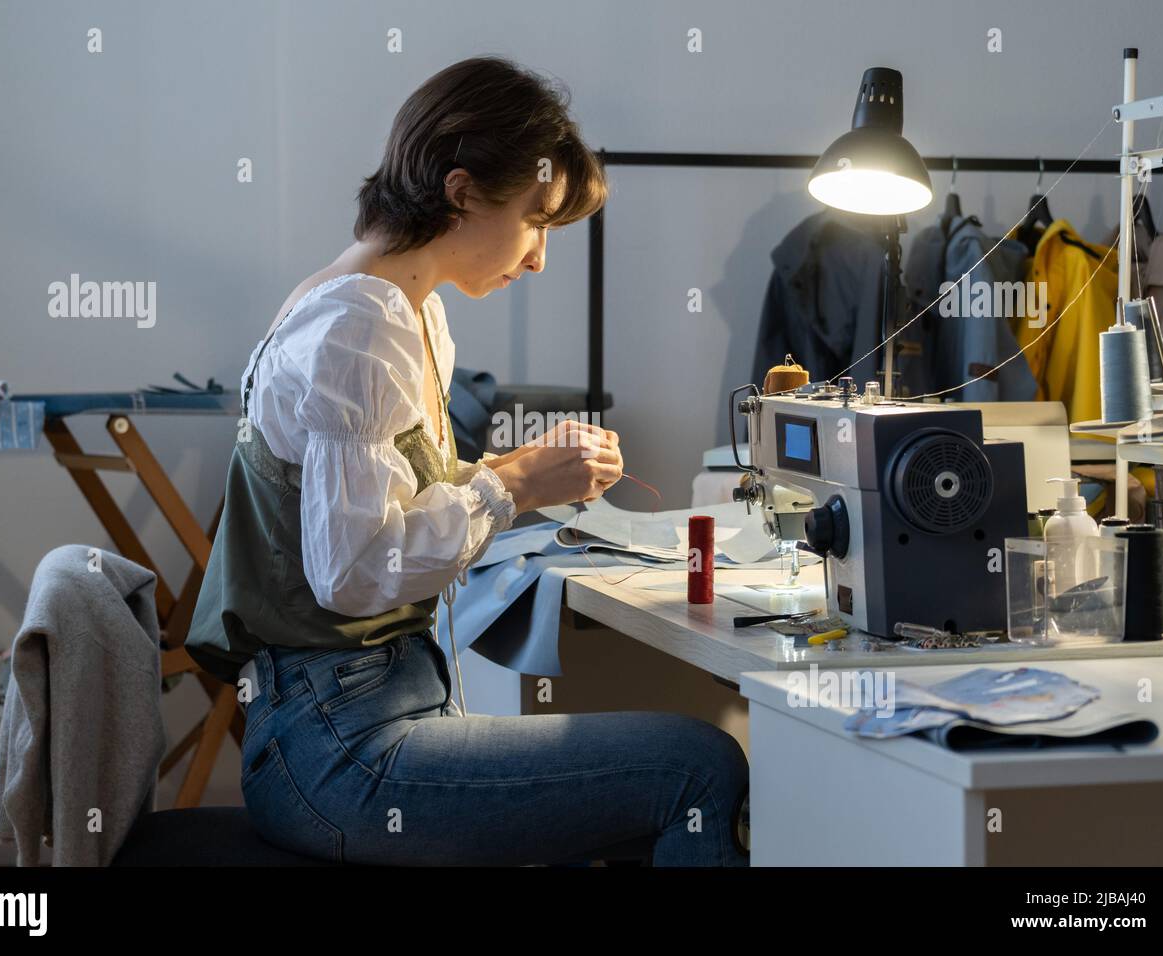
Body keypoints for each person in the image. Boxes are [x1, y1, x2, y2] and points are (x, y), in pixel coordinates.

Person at [185, 55, 749, 866]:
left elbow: (390, 505)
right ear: (461, 191)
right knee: (699, 767)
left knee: (655, 770)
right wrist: (512, 484)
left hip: (371, 712)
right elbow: (350, 571)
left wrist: (523, 469)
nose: (539, 258)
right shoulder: (359, 324)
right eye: (535, 218)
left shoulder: (403, 311)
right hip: (341, 750)